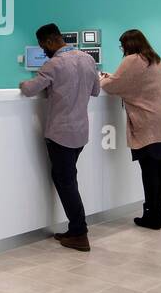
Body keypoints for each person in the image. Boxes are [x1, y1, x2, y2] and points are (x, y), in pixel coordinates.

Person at [19, 23, 100, 251]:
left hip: (60, 133)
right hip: (80, 132)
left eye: (43, 45)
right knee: (68, 179)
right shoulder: (87, 59)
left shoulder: (53, 64)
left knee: (66, 182)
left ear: (50, 40)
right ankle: (75, 228)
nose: (43, 49)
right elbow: (95, 90)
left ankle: (79, 232)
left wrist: (23, 83)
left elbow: (29, 89)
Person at [100, 30, 161, 229]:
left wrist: (103, 79)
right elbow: (134, 82)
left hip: (149, 120)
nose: (122, 50)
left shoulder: (133, 59)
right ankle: (158, 216)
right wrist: (113, 78)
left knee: (149, 170)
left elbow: (113, 86)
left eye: (122, 46)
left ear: (129, 44)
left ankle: (151, 217)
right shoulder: (156, 59)